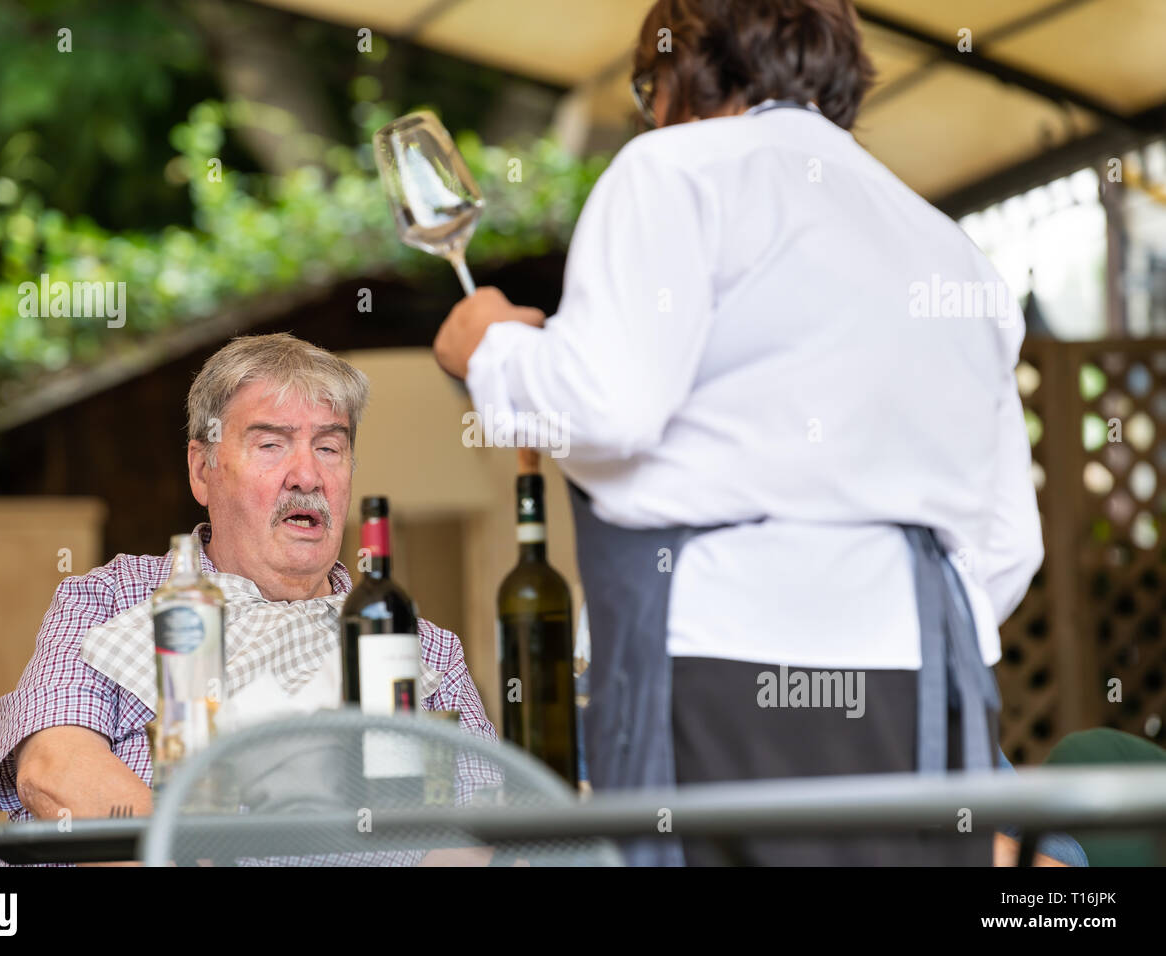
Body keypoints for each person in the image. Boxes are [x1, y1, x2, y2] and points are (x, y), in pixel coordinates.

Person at [434, 0, 1042, 865]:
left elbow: (605, 409)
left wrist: (490, 346)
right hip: (928, 691)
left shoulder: (675, 172)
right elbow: (1007, 544)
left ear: (684, 70)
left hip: (730, 672)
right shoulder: (950, 250)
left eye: (650, 87)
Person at [0, 334, 497, 866]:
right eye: (271, 444)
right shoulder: (109, 600)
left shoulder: (422, 650)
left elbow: (483, 835)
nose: (308, 477)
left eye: (329, 447)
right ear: (202, 469)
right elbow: (53, 770)